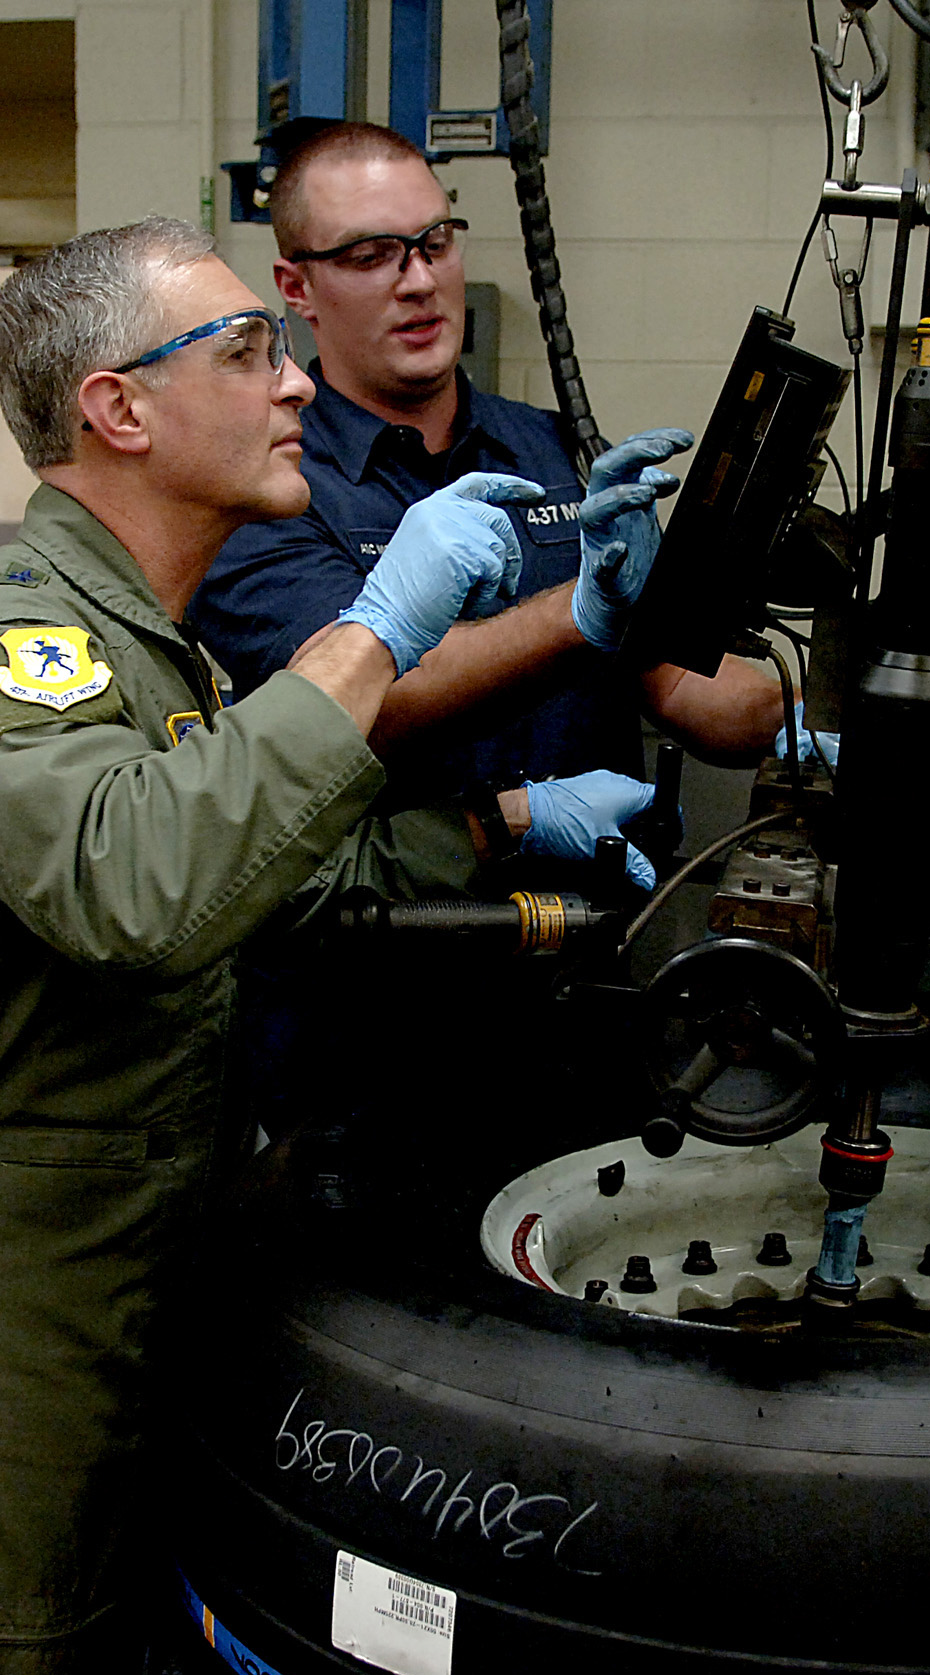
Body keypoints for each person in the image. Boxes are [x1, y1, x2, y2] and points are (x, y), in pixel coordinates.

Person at [0, 215, 664, 1675]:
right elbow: (144, 879)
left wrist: (514, 821)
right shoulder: (6, 650)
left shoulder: (144, 652)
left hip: (119, 1252)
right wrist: (376, 629)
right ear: (117, 410)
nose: (294, 389)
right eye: (248, 351)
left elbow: (280, 871)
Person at [189, 121, 792, 1139]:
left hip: (574, 989)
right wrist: (585, 610)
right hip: (364, 1014)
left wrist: (792, 675)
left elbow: (699, 700)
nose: (418, 281)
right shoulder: (266, 489)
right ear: (295, 289)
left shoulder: (553, 449)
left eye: (434, 242)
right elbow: (356, 710)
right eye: (371, 255)